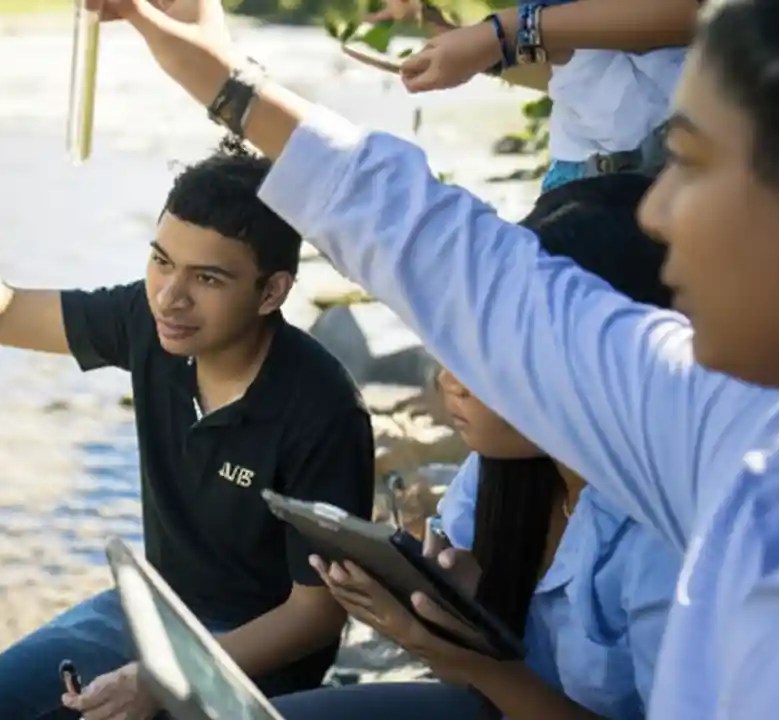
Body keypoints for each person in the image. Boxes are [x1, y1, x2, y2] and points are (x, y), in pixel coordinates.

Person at [97, 0, 779, 715]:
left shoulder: (723, 448)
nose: (656, 211)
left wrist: (474, 664)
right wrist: (223, 77)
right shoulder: (736, 438)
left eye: (691, 162)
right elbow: (460, 262)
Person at [0, 112, 376, 720]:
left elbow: (316, 613)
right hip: (151, 613)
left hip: (257, 656)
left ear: (272, 292)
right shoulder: (149, 324)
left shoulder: (321, 408)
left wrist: (167, 680)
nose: (171, 295)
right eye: (162, 261)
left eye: (208, 278)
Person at [273, 174, 681, 720]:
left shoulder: (665, 533)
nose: (451, 378)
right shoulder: (502, 475)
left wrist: (475, 663)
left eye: (498, 346)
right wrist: (435, 625)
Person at [376, 0, 698, 190]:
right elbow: (570, 63)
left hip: (667, 167)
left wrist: (503, 34)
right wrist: (476, 48)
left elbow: (700, 12)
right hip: (573, 171)